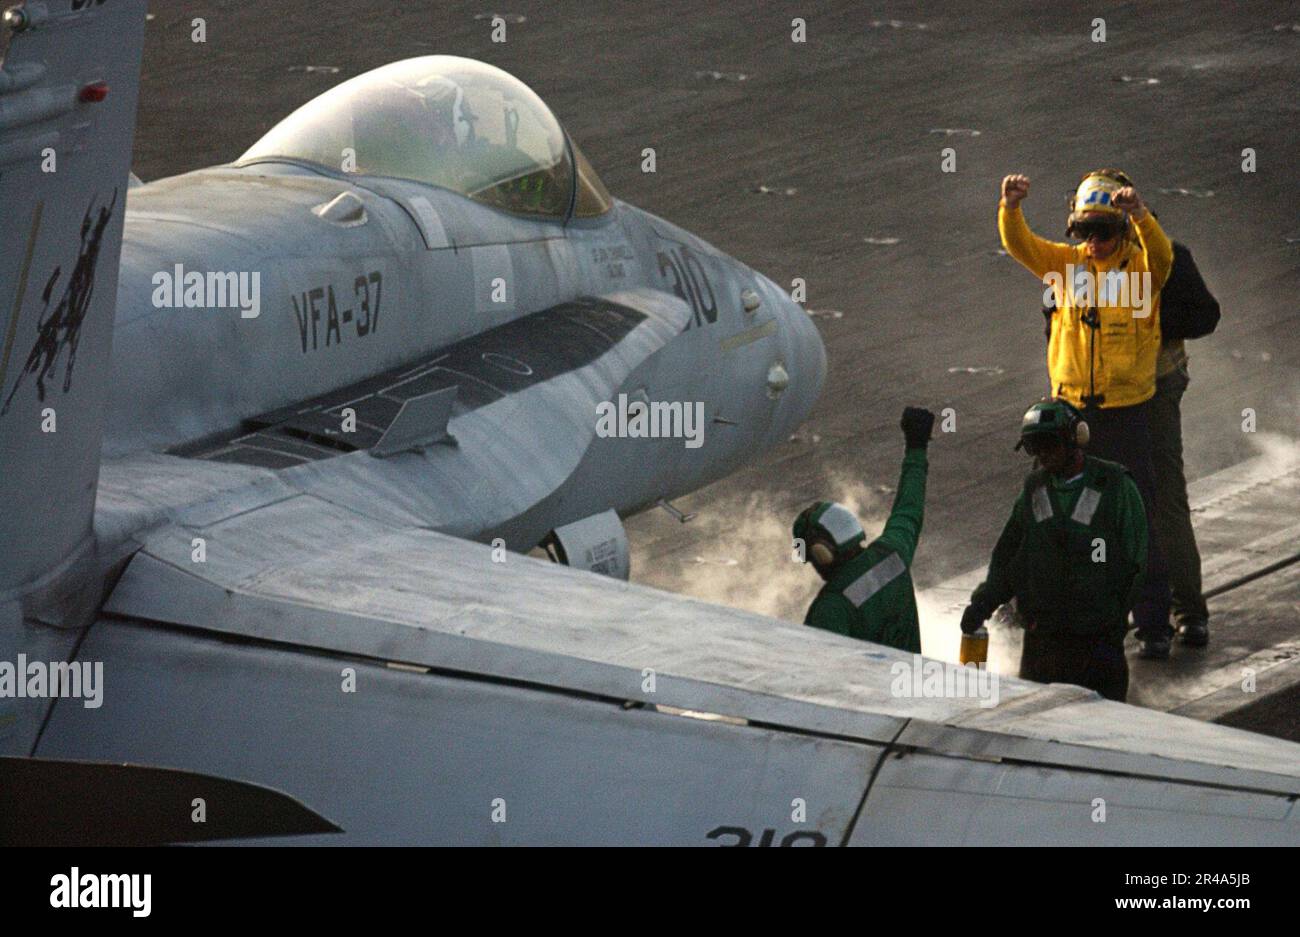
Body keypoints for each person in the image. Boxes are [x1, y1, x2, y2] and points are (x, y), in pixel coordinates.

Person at [999, 169, 1174, 658]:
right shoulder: (1066, 266)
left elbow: (1163, 255)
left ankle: (1154, 624)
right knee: (1042, 511)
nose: (1093, 242)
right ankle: (1027, 607)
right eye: (1085, 231)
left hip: (1124, 414)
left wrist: (1140, 214)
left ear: (1121, 229)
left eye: (1104, 232)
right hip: (1068, 413)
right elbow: (1022, 246)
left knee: (1134, 520)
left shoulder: (1143, 269)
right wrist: (1010, 208)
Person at [1040, 241, 1220, 648]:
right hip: (1087, 392)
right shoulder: (1074, 263)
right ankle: (1044, 605)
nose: (1093, 239)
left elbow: (1205, 316)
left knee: (1158, 496)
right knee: (1059, 490)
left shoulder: (1162, 257)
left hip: (1151, 390)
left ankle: (1186, 609)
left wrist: (1144, 317)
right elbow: (1054, 321)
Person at [960, 400, 1148, 701]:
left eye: (1048, 444)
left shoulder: (1114, 485)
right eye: (1034, 448)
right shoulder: (1035, 489)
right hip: (1043, 643)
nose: (1042, 455)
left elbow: (1136, 560)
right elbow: (1009, 557)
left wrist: (1113, 621)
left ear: (1076, 438)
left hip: (1096, 645)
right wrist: (983, 603)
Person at [793, 407, 933, 652]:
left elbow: (817, 670)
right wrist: (916, 447)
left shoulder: (831, 608)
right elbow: (908, 510)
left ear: (821, 552)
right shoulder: (892, 555)